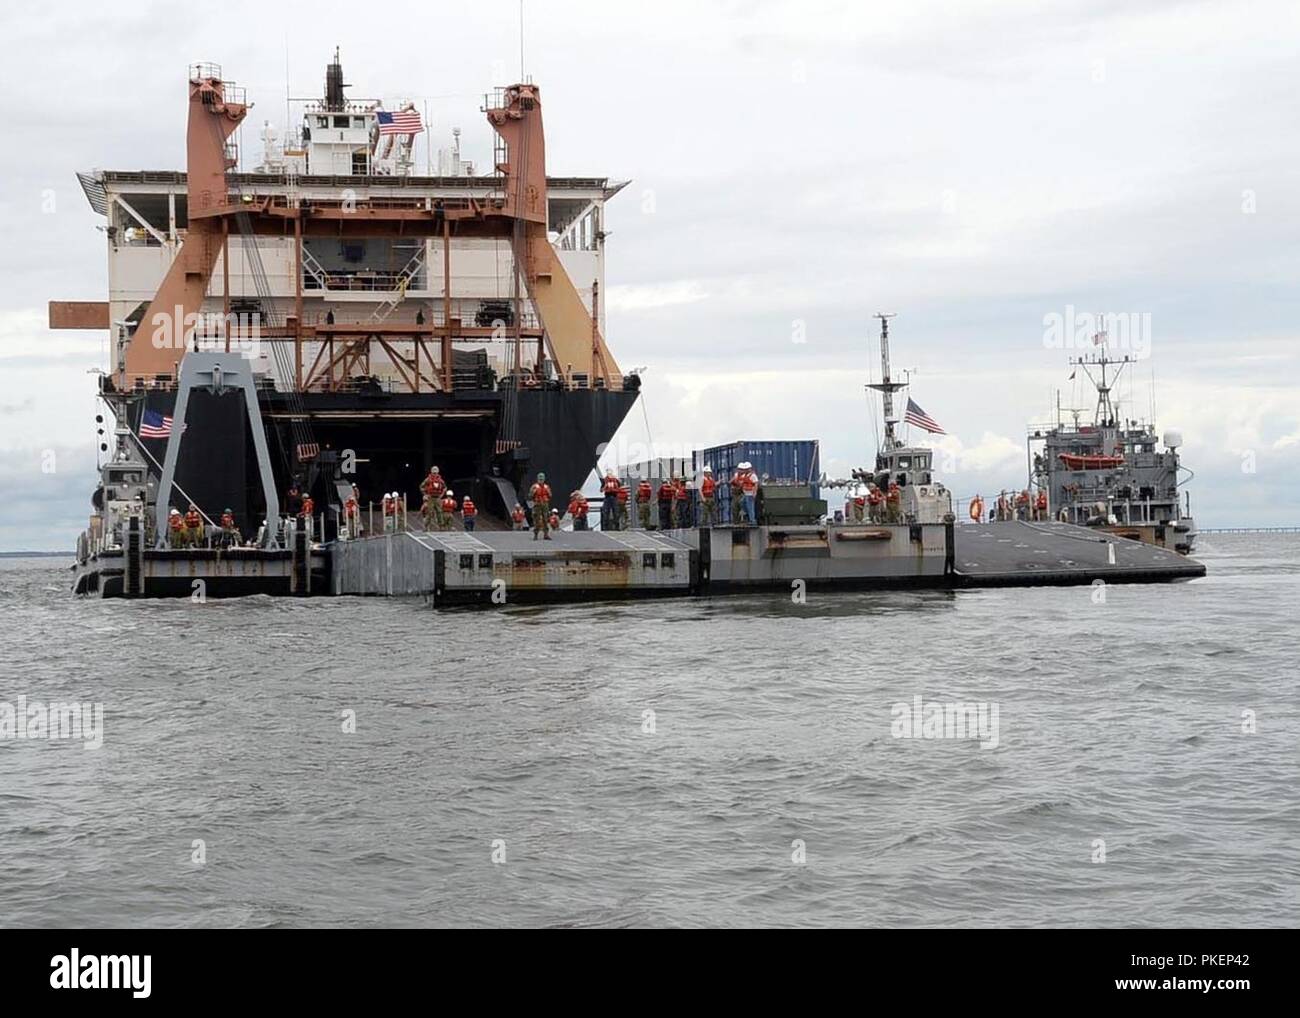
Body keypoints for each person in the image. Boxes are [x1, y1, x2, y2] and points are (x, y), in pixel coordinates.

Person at [529, 472, 553, 540]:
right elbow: (530, 496)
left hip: (545, 504)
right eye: (540, 479)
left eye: (542, 479)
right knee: (536, 519)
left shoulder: (546, 486)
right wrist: (533, 492)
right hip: (537, 504)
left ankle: (546, 534)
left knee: (545, 519)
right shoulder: (534, 486)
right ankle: (536, 534)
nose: (541, 480)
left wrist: (548, 492)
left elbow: (550, 495)